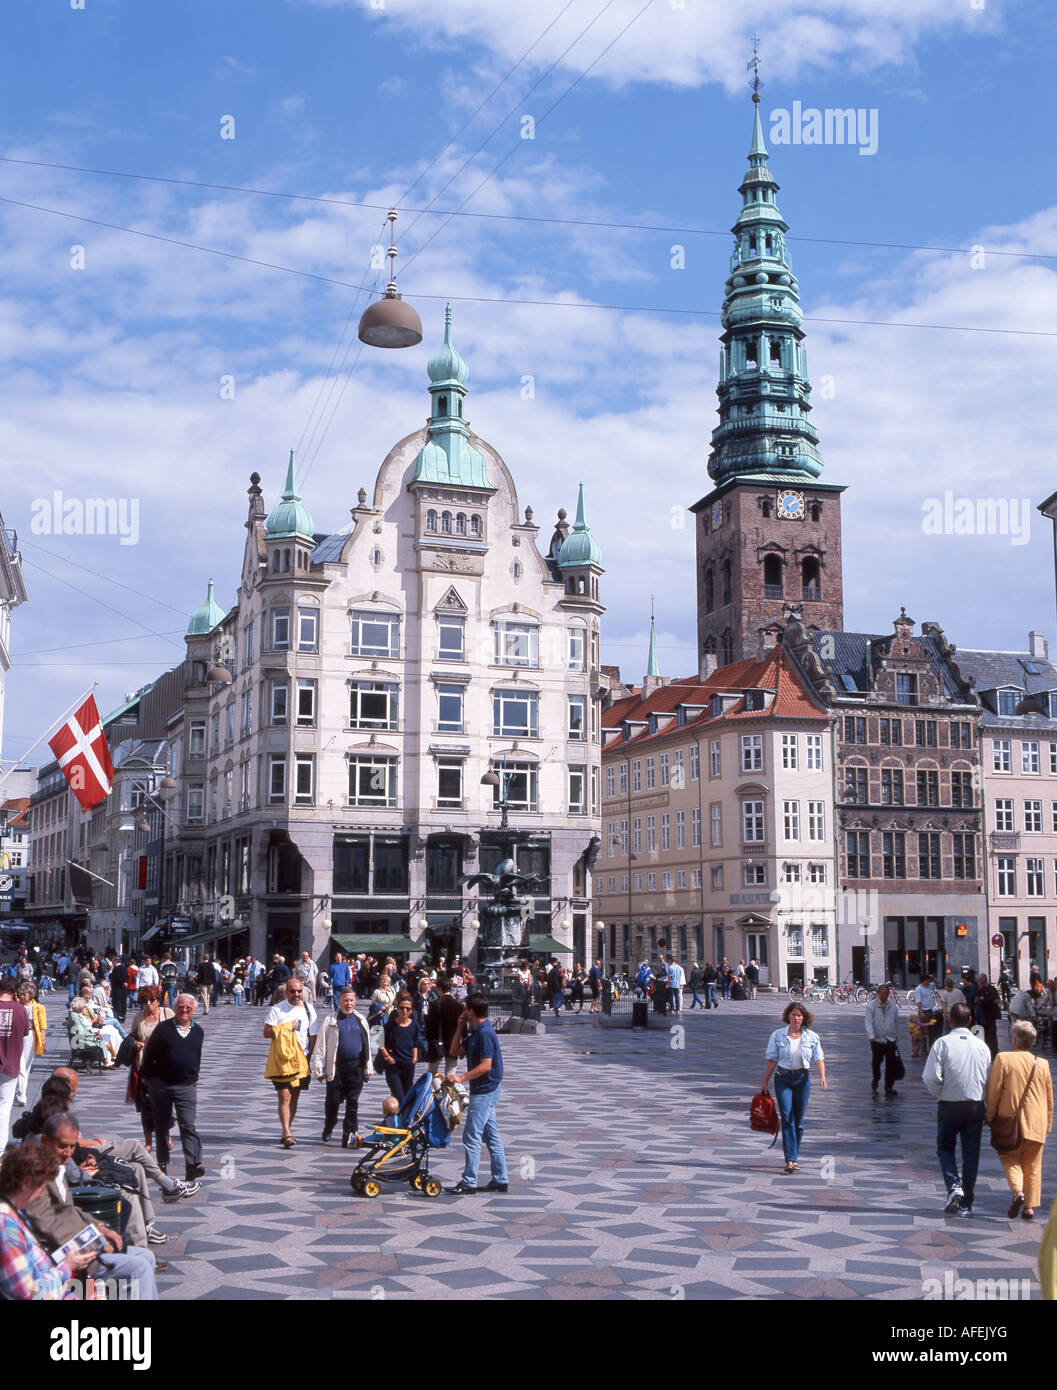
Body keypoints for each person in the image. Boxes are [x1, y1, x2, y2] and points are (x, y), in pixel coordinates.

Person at [23, 1113, 162, 1287]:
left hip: (81, 1246)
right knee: (138, 1267)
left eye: (72, 1147)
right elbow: (48, 1226)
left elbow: (72, 1210)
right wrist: (94, 1241)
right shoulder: (38, 1177)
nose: (68, 1153)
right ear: (45, 1141)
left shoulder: (57, 1168)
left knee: (146, 1256)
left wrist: (101, 1228)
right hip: (69, 1257)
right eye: (62, 1146)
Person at [0, 1143, 100, 1300]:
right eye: (41, 1187)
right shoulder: (6, 1229)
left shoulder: (15, 1214)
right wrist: (67, 1267)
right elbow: (31, 1295)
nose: (40, 1195)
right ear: (26, 1184)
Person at [922, 1002, 992, 1216]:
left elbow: (930, 1077)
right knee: (971, 1153)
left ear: (950, 1020)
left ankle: (954, 1185)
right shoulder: (983, 1047)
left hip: (949, 1104)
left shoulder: (942, 1044)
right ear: (970, 1021)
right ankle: (967, 1201)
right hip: (975, 1104)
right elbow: (989, 1079)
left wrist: (940, 1092)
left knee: (945, 1146)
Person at [986, 1020, 1054, 1221]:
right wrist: (1048, 1125)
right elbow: (1049, 1099)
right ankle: (1029, 1208)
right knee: (1033, 1165)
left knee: (1009, 1157)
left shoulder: (1003, 1059)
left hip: (1010, 1124)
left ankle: (1018, 1193)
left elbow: (994, 1092)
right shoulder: (1043, 1064)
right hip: (1037, 1125)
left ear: (1014, 1040)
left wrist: (990, 1116)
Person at [446, 993, 509, 1195]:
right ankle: (500, 1179)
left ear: (471, 1010)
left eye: (465, 1008)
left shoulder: (485, 1034)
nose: (464, 1011)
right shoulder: (476, 1032)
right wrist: (459, 1026)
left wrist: (461, 1078)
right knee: (491, 1136)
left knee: (471, 1136)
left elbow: (486, 1066)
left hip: (485, 1092)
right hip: (483, 1091)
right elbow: (454, 1051)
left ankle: (469, 1182)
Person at [140, 993, 206, 1182]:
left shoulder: (198, 1031)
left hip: (186, 1085)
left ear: (194, 1010)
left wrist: (195, 1079)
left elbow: (197, 1057)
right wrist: (146, 1079)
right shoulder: (163, 1029)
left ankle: (192, 1165)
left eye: (189, 1008)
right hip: (161, 1085)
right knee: (161, 1126)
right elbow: (150, 1052)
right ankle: (162, 1164)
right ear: (174, 1008)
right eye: (181, 1007)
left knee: (188, 1125)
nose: (184, 1010)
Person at [761, 1003, 828, 1174]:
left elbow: (818, 1058)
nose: (796, 1018)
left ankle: (794, 1156)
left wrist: (822, 1077)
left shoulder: (812, 1037)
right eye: (793, 1015)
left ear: (804, 1017)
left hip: (802, 1079)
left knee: (798, 1121)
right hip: (783, 1078)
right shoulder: (778, 1035)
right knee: (787, 1116)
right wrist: (764, 1081)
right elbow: (772, 1059)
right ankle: (790, 1159)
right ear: (788, 1016)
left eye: (799, 1015)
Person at [313, 989, 373, 1147]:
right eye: (345, 1000)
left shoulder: (360, 1019)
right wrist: (319, 1069)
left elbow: (367, 1046)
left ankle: (347, 1138)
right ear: (339, 1001)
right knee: (332, 1102)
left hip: (356, 1067)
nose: (349, 1003)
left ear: (355, 1001)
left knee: (352, 1104)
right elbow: (321, 1046)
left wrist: (368, 1067)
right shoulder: (330, 1020)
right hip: (336, 1068)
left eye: (351, 1000)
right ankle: (329, 1124)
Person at [264, 976, 319, 1148]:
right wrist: (287, 1027)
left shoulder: (309, 1010)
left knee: (294, 1095)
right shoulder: (277, 1010)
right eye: (293, 991)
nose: (296, 994)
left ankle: (288, 1128)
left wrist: (309, 1055)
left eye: (299, 991)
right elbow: (266, 1033)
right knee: (284, 1095)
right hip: (282, 1060)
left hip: (301, 1059)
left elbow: (313, 1035)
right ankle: (286, 1132)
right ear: (286, 991)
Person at [126, 986, 174, 1150]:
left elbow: (180, 1034)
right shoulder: (138, 1017)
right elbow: (130, 1037)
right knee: (146, 1105)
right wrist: (135, 1044)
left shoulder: (168, 1014)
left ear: (157, 1000)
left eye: (151, 1000)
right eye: (144, 1001)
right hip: (144, 1067)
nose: (148, 1003)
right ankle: (148, 1142)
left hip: (165, 1068)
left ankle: (166, 1137)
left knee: (163, 1104)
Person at [0, 976, 29, 1149]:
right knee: (3, 1109)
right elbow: (26, 1032)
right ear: (14, 992)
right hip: (10, 1065)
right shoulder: (20, 1010)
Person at [379, 990, 422, 1105]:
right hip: (394, 1066)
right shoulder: (390, 1025)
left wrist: (415, 1058)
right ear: (397, 1009)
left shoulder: (414, 1026)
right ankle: (399, 1119)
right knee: (399, 1096)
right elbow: (381, 1044)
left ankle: (400, 1120)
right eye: (402, 1008)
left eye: (408, 1009)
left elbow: (415, 1044)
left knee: (408, 1096)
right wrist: (388, 1057)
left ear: (411, 1011)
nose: (404, 1011)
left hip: (408, 1066)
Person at [865, 983, 900, 1095]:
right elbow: (868, 1022)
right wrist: (871, 1037)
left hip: (890, 1039)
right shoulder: (871, 1005)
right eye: (882, 994)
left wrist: (895, 1037)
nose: (884, 997)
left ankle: (888, 1086)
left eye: (886, 994)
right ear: (878, 994)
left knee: (891, 1064)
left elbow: (895, 1021)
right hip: (877, 1040)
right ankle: (876, 1078)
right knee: (876, 1062)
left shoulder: (893, 1006)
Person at [15, 981, 46, 1108]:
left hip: (32, 1036)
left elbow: (42, 1026)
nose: (22, 996)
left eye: (24, 994)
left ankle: (19, 1091)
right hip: (17, 1036)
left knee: (26, 1067)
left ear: (31, 994)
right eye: (20, 994)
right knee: (20, 1066)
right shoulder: (16, 1005)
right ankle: (22, 1095)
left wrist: (43, 1041)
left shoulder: (39, 1007)